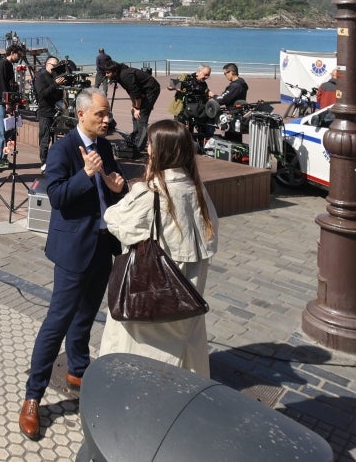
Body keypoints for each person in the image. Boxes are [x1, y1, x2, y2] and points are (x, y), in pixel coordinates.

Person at [19, 88, 126, 440]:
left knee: (86, 316)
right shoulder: (63, 149)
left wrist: (116, 185)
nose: (107, 119)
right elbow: (56, 197)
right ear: (81, 114)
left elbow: (112, 190)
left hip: (101, 245)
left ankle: (78, 369)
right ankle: (33, 396)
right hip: (72, 249)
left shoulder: (106, 146)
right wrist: (86, 174)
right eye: (101, 114)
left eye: (108, 113)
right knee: (58, 321)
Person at [100, 118, 218, 375]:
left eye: (151, 146)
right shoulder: (198, 190)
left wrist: (126, 193)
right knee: (184, 367)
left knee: (140, 363)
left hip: (149, 298)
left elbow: (115, 220)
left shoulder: (152, 193)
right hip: (188, 298)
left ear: (161, 151)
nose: (147, 151)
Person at [110, 62, 162, 152]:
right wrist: (134, 106)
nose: (106, 75)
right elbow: (130, 92)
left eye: (108, 72)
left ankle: (139, 146)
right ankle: (136, 138)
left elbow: (136, 94)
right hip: (144, 90)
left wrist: (138, 108)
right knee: (134, 113)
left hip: (151, 90)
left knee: (142, 116)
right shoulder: (119, 76)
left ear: (114, 71)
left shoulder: (125, 75)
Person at [0, 44, 24, 172]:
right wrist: (7, 103)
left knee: (7, 132)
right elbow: (1, 86)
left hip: (4, 102)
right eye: (18, 55)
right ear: (13, 52)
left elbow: (9, 86)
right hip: (0, 103)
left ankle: (3, 158)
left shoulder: (8, 65)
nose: (19, 58)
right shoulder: (3, 65)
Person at [33, 56, 66, 166]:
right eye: (53, 65)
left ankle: (53, 161)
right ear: (47, 64)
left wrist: (62, 85)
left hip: (56, 112)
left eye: (57, 66)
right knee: (45, 139)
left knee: (55, 140)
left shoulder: (55, 77)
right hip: (45, 113)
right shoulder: (40, 78)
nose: (55, 68)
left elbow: (58, 96)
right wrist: (55, 84)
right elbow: (42, 94)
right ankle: (44, 162)